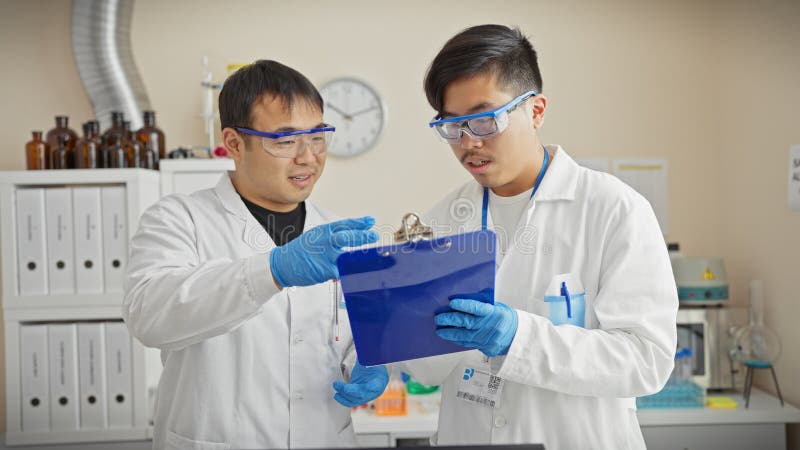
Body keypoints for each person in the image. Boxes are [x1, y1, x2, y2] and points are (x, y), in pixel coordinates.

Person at [400, 25, 678, 449]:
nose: (468, 141)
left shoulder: (614, 209)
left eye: (484, 118)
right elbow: (427, 367)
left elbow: (646, 360)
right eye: (452, 125)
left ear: (535, 111)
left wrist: (519, 338)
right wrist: (387, 354)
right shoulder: (441, 220)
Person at [123, 60, 388, 449]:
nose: (308, 156)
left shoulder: (338, 235)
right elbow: (149, 315)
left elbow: (349, 336)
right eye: (285, 140)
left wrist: (371, 360)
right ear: (233, 143)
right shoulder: (179, 219)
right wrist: (273, 270)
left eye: (317, 136)